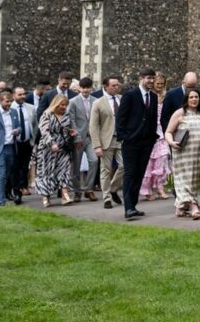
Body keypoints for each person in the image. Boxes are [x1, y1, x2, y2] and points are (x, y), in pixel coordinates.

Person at [116, 69, 161, 219]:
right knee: (130, 173)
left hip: (146, 141)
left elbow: (153, 118)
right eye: (148, 78)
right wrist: (123, 137)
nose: (151, 81)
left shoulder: (153, 97)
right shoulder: (130, 95)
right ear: (141, 78)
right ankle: (128, 207)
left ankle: (133, 205)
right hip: (131, 141)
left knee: (140, 173)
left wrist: (153, 136)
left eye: (152, 78)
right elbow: (121, 117)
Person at [166, 87, 200, 220]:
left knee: (193, 179)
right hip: (182, 152)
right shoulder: (180, 113)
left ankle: (180, 208)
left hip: (197, 153)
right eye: (191, 97)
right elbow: (168, 132)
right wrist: (171, 142)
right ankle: (194, 206)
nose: (194, 99)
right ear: (186, 99)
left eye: (196, 97)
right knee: (183, 179)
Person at [35, 93, 77, 206]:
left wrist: (70, 132)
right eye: (62, 105)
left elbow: (65, 128)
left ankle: (65, 194)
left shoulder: (66, 115)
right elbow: (44, 131)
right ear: (56, 104)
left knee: (64, 169)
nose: (64, 107)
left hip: (63, 146)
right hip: (47, 147)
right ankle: (46, 196)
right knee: (47, 171)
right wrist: (51, 143)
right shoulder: (47, 114)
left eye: (65, 105)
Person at [89, 75, 124, 209]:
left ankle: (113, 189)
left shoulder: (122, 99)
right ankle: (107, 198)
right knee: (105, 169)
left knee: (124, 166)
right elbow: (93, 125)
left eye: (117, 85)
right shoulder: (98, 103)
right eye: (113, 85)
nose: (116, 88)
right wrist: (97, 145)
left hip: (121, 139)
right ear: (106, 87)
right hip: (105, 141)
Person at [141, 73, 172, 202]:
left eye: (162, 84)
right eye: (157, 84)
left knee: (163, 158)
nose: (159, 86)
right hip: (150, 132)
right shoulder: (149, 97)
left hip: (163, 132)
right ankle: (147, 190)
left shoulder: (167, 96)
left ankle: (160, 187)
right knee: (149, 164)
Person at [67, 77, 98, 201]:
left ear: (91, 88)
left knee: (94, 161)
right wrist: (76, 137)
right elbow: (72, 120)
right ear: (79, 88)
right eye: (83, 87)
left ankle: (89, 189)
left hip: (91, 137)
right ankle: (77, 191)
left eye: (87, 88)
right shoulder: (73, 101)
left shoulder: (96, 101)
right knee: (76, 165)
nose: (85, 90)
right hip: (78, 138)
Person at [10, 86, 37, 202]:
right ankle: (16, 191)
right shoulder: (9, 108)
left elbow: (35, 125)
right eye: (19, 94)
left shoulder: (30, 108)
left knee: (25, 166)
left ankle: (23, 187)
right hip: (14, 143)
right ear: (13, 96)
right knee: (15, 167)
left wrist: (33, 140)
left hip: (27, 142)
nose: (22, 97)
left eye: (24, 94)